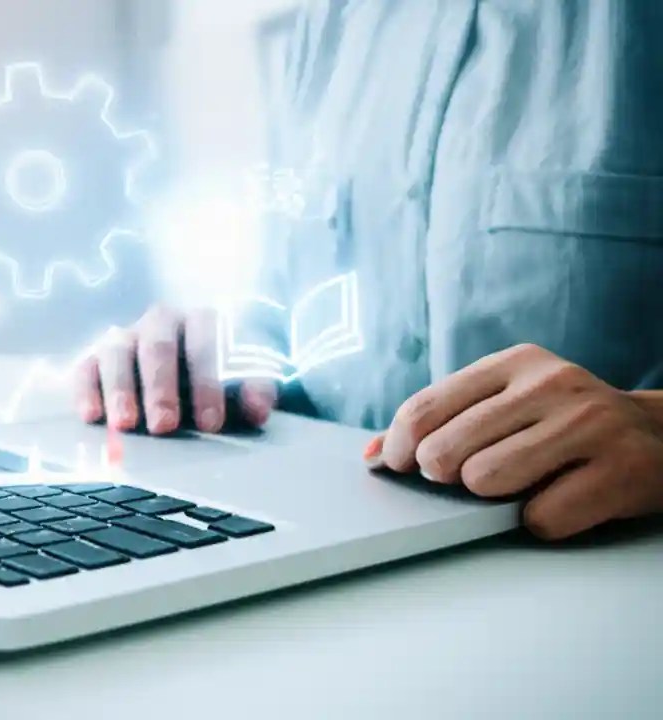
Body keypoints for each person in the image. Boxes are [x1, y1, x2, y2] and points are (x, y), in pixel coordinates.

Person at [74, 0, 663, 541]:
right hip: (328, 553)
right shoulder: (329, 19)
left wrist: (653, 427)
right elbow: (293, 308)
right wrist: (206, 365)